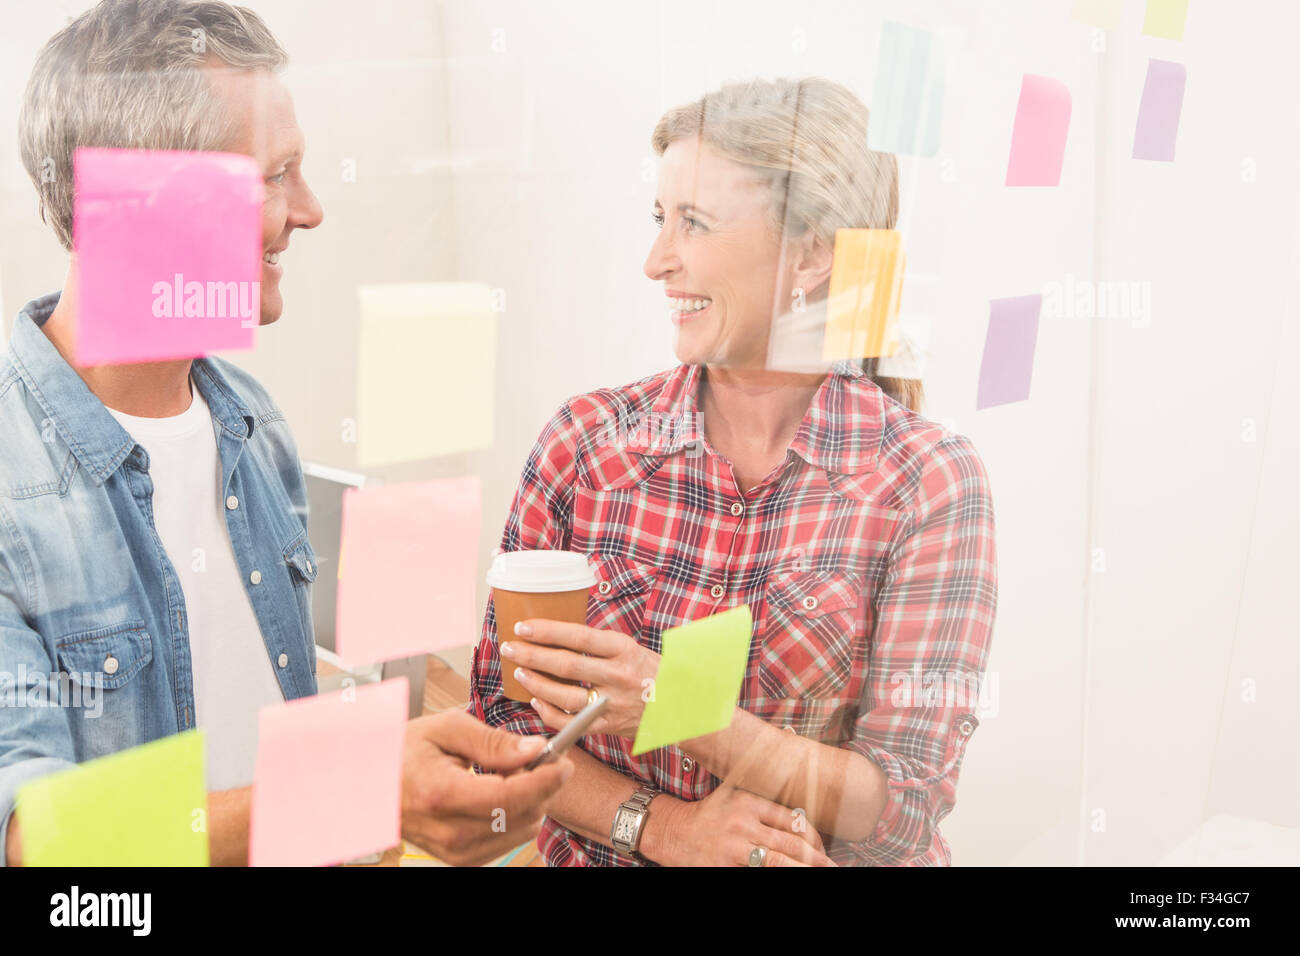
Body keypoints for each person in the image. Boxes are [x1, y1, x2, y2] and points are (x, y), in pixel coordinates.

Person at [0, 0, 570, 868]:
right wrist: (361, 790)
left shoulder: (251, 424)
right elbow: (38, 841)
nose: (309, 210)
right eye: (276, 175)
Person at [470, 77, 997, 866]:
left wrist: (674, 707)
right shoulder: (583, 446)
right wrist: (665, 827)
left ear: (813, 254)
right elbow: (500, 727)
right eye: (660, 219)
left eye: (695, 223)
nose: (656, 260)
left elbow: (900, 809)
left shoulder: (926, 482)